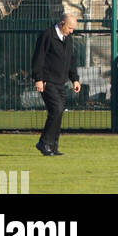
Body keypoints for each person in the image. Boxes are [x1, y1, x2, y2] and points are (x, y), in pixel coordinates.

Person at [32, 13, 81, 156]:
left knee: (58, 113)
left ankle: (53, 146)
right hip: (48, 81)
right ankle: (44, 143)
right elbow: (38, 57)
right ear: (62, 24)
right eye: (70, 28)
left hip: (61, 82)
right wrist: (38, 79)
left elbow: (71, 60)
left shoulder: (68, 38)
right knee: (57, 109)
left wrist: (75, 79)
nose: (72, 31)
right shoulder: (47, 35)